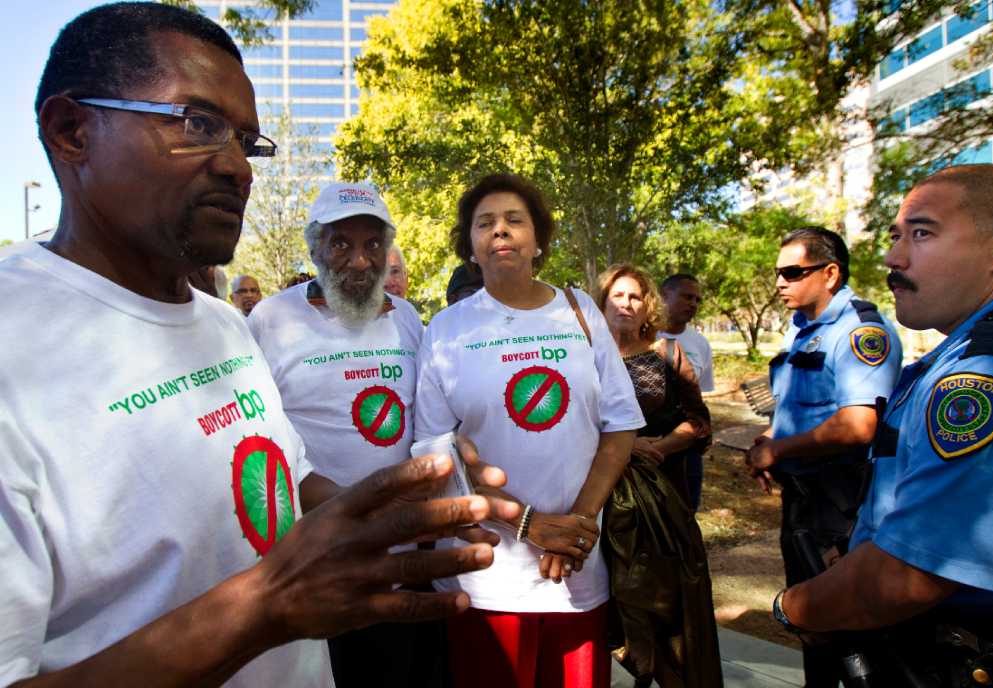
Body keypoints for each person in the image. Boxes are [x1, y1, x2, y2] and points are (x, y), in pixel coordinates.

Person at [0, 5, 516, 686]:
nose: (238, 169)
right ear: (72, 131)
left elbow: (286, 479)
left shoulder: (219, 324)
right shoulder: (16, 352)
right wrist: (264, 607)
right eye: (200, 124)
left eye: (247, 142)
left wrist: (401, 508)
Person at [770, 164, 993, 684]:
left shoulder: (991, 372)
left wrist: (791, 609)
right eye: (895, 236)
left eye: (923, 234)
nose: (892, 257)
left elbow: (912, 573)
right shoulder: (964, 348)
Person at [415, 173, 645, 688]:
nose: (500, 231)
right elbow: (432, 451)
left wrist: (577, 524)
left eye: (514, 220)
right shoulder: (446, 330)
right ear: (470, 246)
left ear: (538, 240)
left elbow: (621, 425)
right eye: (485, 223)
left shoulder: (581, 311)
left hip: (577, 572)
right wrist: (529, 524)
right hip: (487, 580)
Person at [247, 182, 424, 685]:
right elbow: (262, 435)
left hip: (401, 556)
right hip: (315, 558)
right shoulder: (271, 319)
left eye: (372, 244)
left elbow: (431, 420)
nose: (359, 260)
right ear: (315, 249)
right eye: (340, 243)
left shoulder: (408, 318)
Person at [745, 226, 902, 687]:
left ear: (830, 273)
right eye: (778, 273)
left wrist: (780, 448)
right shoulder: (807, 330)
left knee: (847, 625)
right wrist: (771, 441)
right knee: (812, 619)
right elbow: (803, 406)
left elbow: (859, 424)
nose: (780, 282)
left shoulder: (859, 331)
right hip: (804, 499)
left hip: (842, 500)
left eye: (792, 272)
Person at [596, 264, 722, 688]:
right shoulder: (584, 355)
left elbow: (699, 422)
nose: (626, 304)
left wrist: (660, 447)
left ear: (646, 305)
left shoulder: (668, 354)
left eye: (634, 297)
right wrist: (626, 446)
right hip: (599, 498)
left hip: (662, 501)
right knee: (610, 606)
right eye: (618, 296)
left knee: (665, 607)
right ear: (603, 302)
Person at [658, 273, 714, 509]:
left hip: (687, 448)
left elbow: (700, 397)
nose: (693, 304)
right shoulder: (643, 337)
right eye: (686, 296)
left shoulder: (700, 343)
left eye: (697, 300)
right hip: (649, 443)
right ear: (663, 296)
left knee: (686, 510)